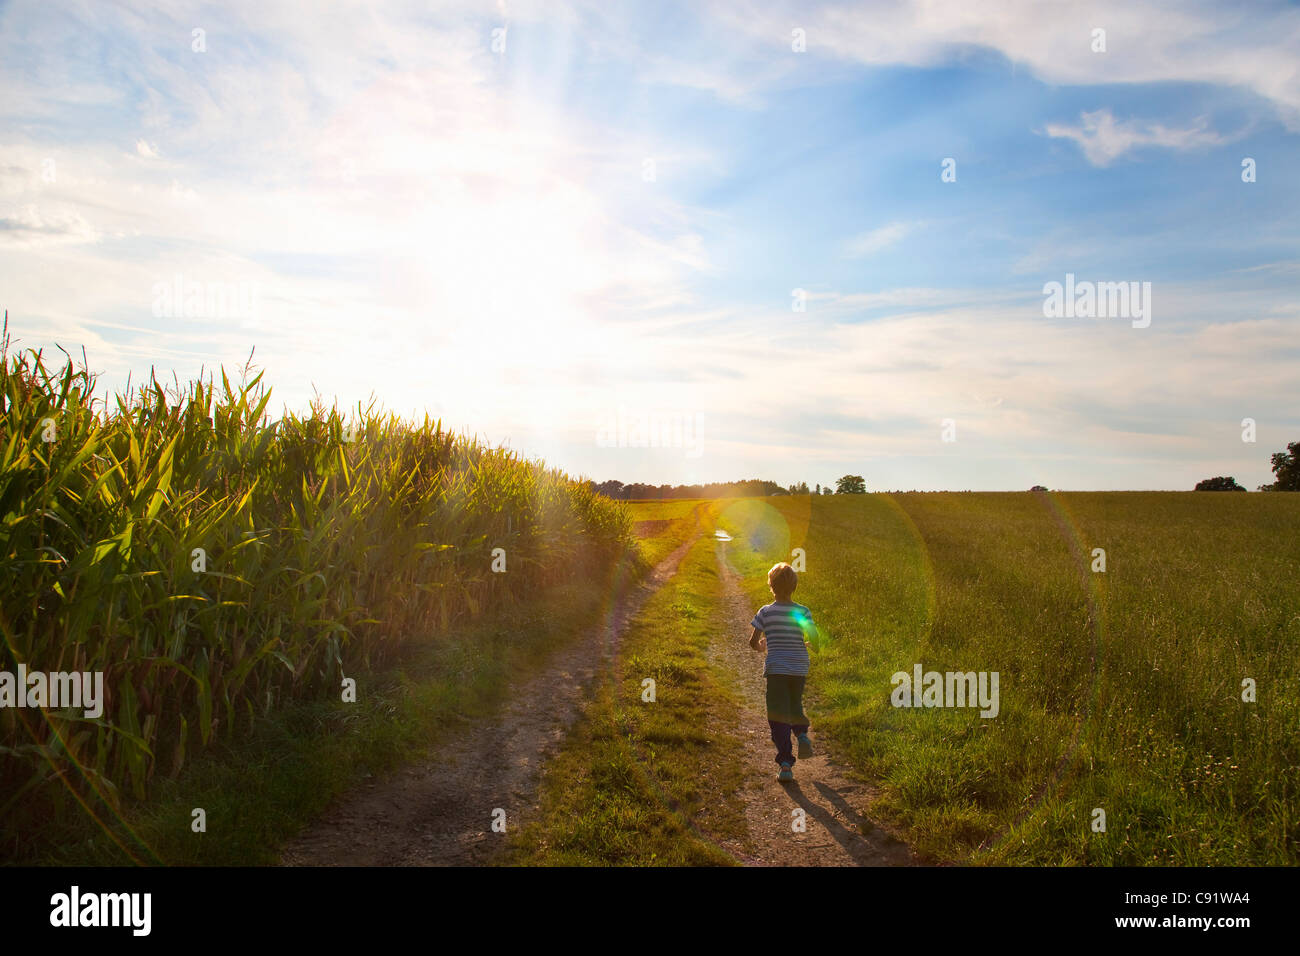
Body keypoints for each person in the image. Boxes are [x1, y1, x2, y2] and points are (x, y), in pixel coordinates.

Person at [748, 562, 818, 782]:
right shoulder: (802, 611)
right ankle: (802, 733)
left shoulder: (766, 612)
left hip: (777, 668)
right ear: (794, 587)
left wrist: (761, 646)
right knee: (795, 703)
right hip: (798, 667)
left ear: (771, 586)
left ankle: (786, 763)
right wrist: (811, 645)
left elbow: (753, 641)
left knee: (778, 714)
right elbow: (814, 637)